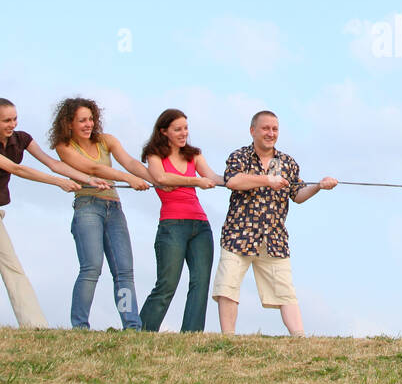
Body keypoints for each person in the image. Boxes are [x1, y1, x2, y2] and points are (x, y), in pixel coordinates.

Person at [0, 97, 96, 328]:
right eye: (6, 120)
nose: (12, 124)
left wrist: (88, 179)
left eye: (14, 119)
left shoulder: (21, 139)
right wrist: (58, 183)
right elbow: (15, 168)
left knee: (12, 265)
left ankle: (36, 326)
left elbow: (52, 163)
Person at [212, 110, 337, 337]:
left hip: (274, 238)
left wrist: (319, 186)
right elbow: (232, 181)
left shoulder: (287, 162)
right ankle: (227, 338)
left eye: (275, 129)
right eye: (265, 128)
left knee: (285, 291)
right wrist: (267, 180)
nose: (271, 133)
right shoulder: (239, 156)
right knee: (227, 287)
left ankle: (298, 337)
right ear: (253, 131)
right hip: (238, 234)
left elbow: (298, 194)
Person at [49, 97, 155, 331]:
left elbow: (129, 162)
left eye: (91, 119)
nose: (88, 124)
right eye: (82, 121)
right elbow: (93, 169)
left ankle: (132, 326)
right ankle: (80, 326)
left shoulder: (106, 141)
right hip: (87, 206)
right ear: (69, 124)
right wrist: (128, 179)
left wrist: (153, 178)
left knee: (124, 271)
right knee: (91, 268)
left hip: (114, 208)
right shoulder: (64, 147)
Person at [137, 108, 223, 332]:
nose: (184, 133)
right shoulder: (154, 155)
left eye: (186, 128)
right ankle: (142, 331)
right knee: (167, 284)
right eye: (178, 129)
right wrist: (195, 181)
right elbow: (161, 177)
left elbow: (212, 177)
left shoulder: (193, 154)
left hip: (200, 225)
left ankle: (191, 334)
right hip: (172, 226)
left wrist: (238, 180)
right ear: (164, 131)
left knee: (200, 283)